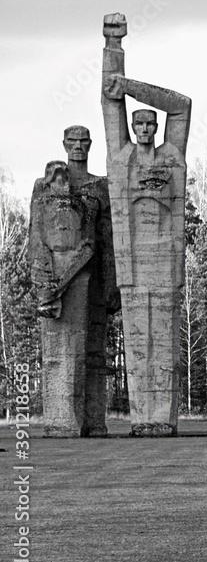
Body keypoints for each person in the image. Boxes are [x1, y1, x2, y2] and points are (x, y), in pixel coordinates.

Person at [101, 12, 192, 437]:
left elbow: (182, 104)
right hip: (134, 263)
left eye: (149, 123)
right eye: (137, 123)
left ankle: (163, 418)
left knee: (166, 343)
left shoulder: (172, 155)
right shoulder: (121, 158)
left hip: (166, 260)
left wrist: (131, 86)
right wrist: (113, 47)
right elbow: (109, 101)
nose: (142, 128)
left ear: (156, 125)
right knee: (139, 342)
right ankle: (142, 419)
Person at [29, 126, 118, 437]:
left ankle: (93, 421)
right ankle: (60, 419)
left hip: (93, 277)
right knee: (58, 351)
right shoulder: (43, 186)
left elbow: (107, 238)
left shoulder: (100, 186)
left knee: (93, 351)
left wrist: (112, 284)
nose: (78, 146)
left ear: (90, 144)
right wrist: (43, 280)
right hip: (57, 275)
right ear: (64, 144)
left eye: (83, 141)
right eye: (72, 141)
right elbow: (35, 234)